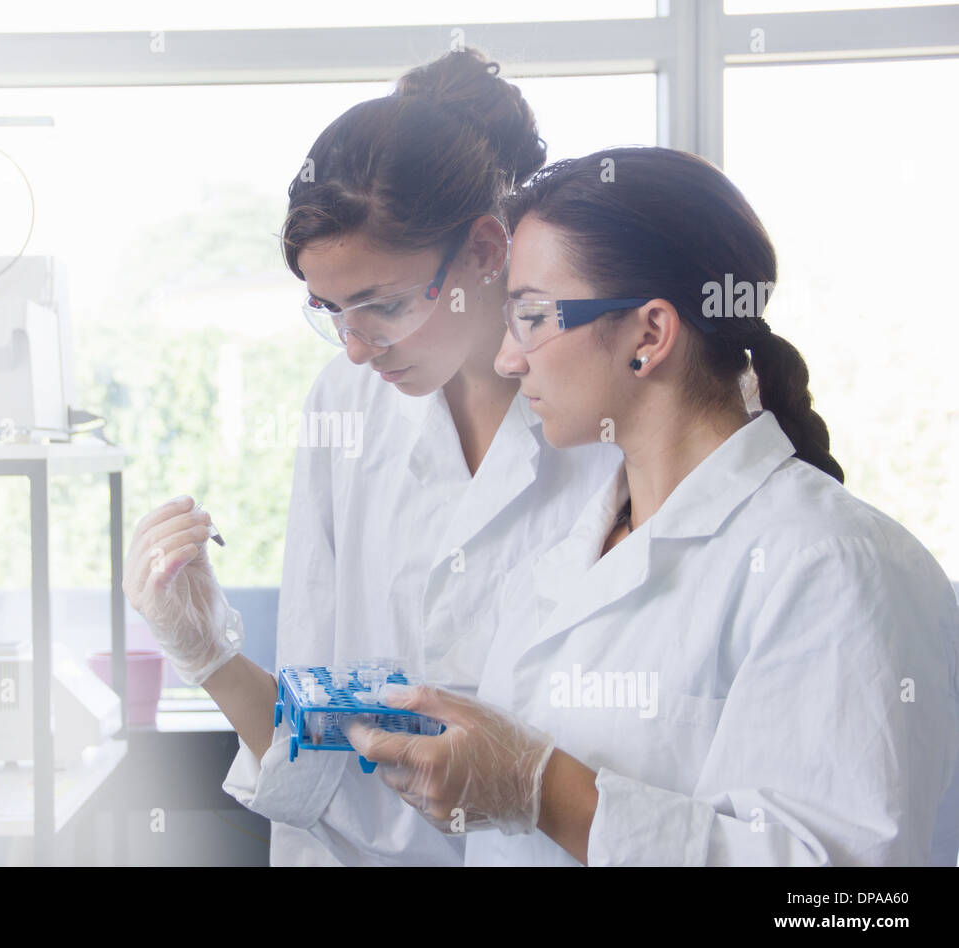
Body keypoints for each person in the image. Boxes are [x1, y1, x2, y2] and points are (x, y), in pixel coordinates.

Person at [348, 145, 959, 865]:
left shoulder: (839, 567)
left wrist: (545, 791)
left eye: (533, 317)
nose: (511, 359)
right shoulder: (572, 554)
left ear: (650, 335)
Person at [124, 50, 622, 865]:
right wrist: (208, 652)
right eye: (330, 311)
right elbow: (313, 746)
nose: (357, 348)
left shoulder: (607, 413)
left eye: (383, 305)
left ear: (486, 251)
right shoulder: (344, 405)